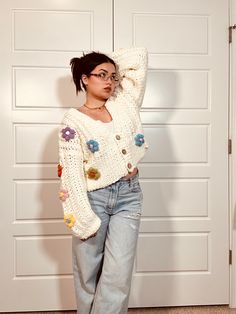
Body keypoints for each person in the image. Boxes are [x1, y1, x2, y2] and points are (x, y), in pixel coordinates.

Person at [58, 47, 148, 314]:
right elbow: (71, 172)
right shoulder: (72, 120)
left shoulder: (124, 105)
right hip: (92, 197)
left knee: (118, 272)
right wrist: (82, 215)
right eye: (101, 75)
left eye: (113, 76)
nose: (110, 81)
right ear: (84, 79)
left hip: (128, 195)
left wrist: (107, 65)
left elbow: (138, 58)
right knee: (87, 272)